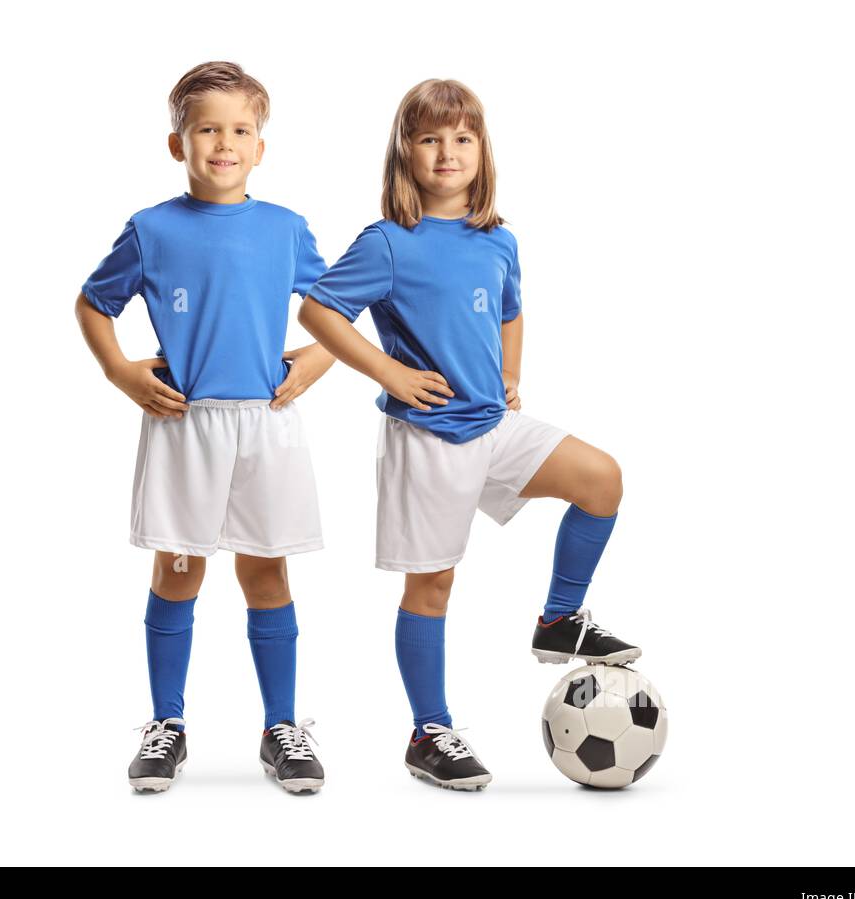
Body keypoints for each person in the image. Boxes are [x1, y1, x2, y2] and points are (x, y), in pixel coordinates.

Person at [298, 78, 640, 791]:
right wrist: (391, 373)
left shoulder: (498, 238)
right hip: (427, 438)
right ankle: (430, 732)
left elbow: (511, 309)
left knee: (602, 478)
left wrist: (512, 372)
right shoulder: (389, 242)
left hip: (494, 423)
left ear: (482, 151)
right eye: (429, 139)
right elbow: (320, 314)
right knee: (434, 585)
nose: (446, 151)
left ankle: (558, 621)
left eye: (461, 138)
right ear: (405, 154)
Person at [75, 62, 333, 794]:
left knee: (265, 569)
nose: (224, 142)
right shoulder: (151, 230)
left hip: (264, 424)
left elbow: (341, 307)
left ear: (261, 146)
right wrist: (121, 372)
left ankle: (281, 727)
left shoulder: (285, 229)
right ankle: (167, 726)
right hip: (184, 424)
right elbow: (93, 303)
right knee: (179, 570)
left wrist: (313, 363)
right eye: (207, 129)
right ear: (176, 143)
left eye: (241, 130)